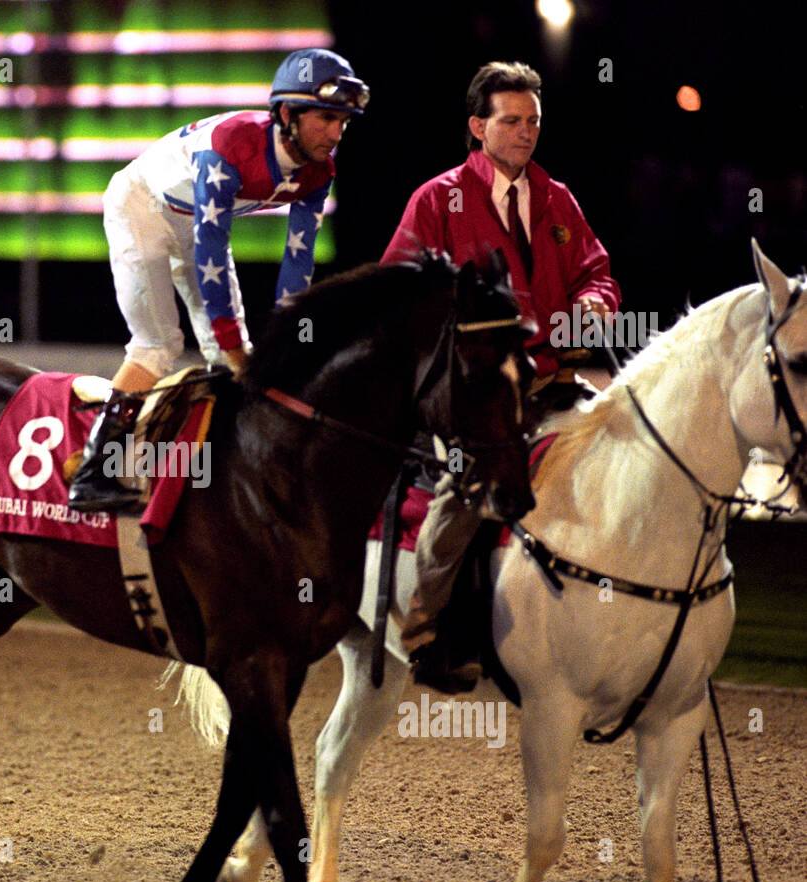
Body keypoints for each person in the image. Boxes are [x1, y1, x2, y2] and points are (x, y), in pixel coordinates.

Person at [381, 60, 621, 689]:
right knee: (462, 497)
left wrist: (596, 300)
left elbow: (598, 272)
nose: (525, 132)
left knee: (628, 450)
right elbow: (399, 296)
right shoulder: (437, 200)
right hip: (472, 401)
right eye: (510, 120)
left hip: (548, 386)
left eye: (533, 121)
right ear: (476, 126)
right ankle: (425, 632)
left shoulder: (556, 197)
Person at [67, 48, 368, 512]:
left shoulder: (320, 170)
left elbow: (298, 261)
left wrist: (283, 342)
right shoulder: (233, 142)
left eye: (343, 121)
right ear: (287, 113)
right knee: (158, 344)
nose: (336, 133)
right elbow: (211, 248)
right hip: (139, 205)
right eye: (327, 117)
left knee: (229, 355)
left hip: (190, 219)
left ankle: (213, 466)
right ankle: (95, 469)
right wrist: (237, 350)